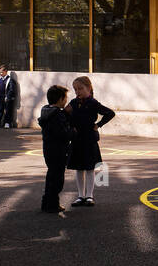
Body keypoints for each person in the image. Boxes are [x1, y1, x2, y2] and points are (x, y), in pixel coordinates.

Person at [65, 75, 115, 207]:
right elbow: (64, 115)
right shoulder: (73, 103)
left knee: (89, 168)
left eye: (80, 89)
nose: (77, 92)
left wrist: (98, 125)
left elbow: (110, 113)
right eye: (75, 89)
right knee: (79, 169)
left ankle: (89, 196)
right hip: (76, 140)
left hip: (89, 139)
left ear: (89, 88)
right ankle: (80, 195)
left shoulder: (93, 103)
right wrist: (70, 127)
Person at [38, 85, 73, 214]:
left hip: (48, 149)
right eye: (65, 98)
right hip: (58, 150)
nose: (66, 101)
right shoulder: (57, 115)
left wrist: (65, 114)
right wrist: (73, 132)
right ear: (60, 99)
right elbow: (62, 134)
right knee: (57, 179)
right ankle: (52, 205)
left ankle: (47, 203)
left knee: (51, 176)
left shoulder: (46, 110)